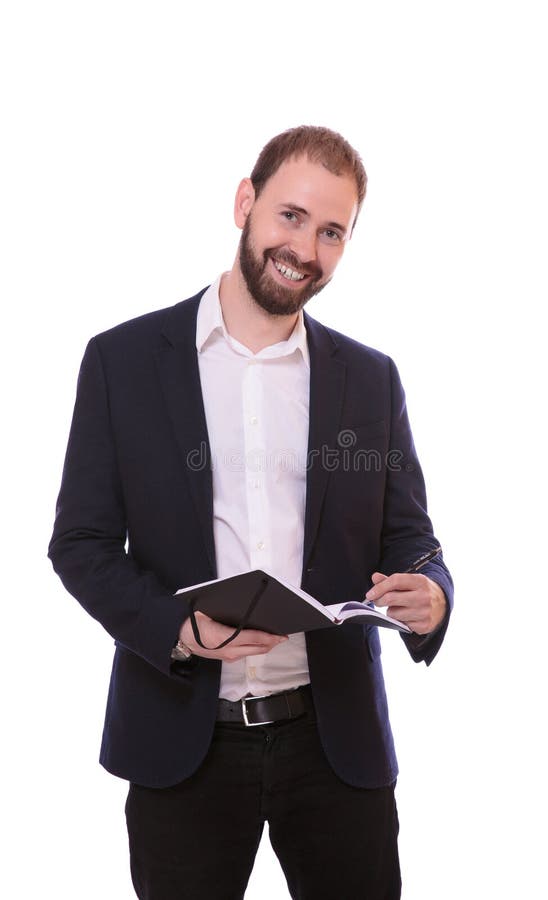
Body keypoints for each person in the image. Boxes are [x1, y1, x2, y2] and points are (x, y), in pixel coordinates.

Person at [49, 125, 453, 900]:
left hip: (335, 743)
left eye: (332, 231)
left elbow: (411, 535)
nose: (306, 247)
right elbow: (81, 542)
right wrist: (175, 629)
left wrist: (432, 592)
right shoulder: (122, 362)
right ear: (246, 203)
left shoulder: (369, 379)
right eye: (291, 217)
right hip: (183, 742)